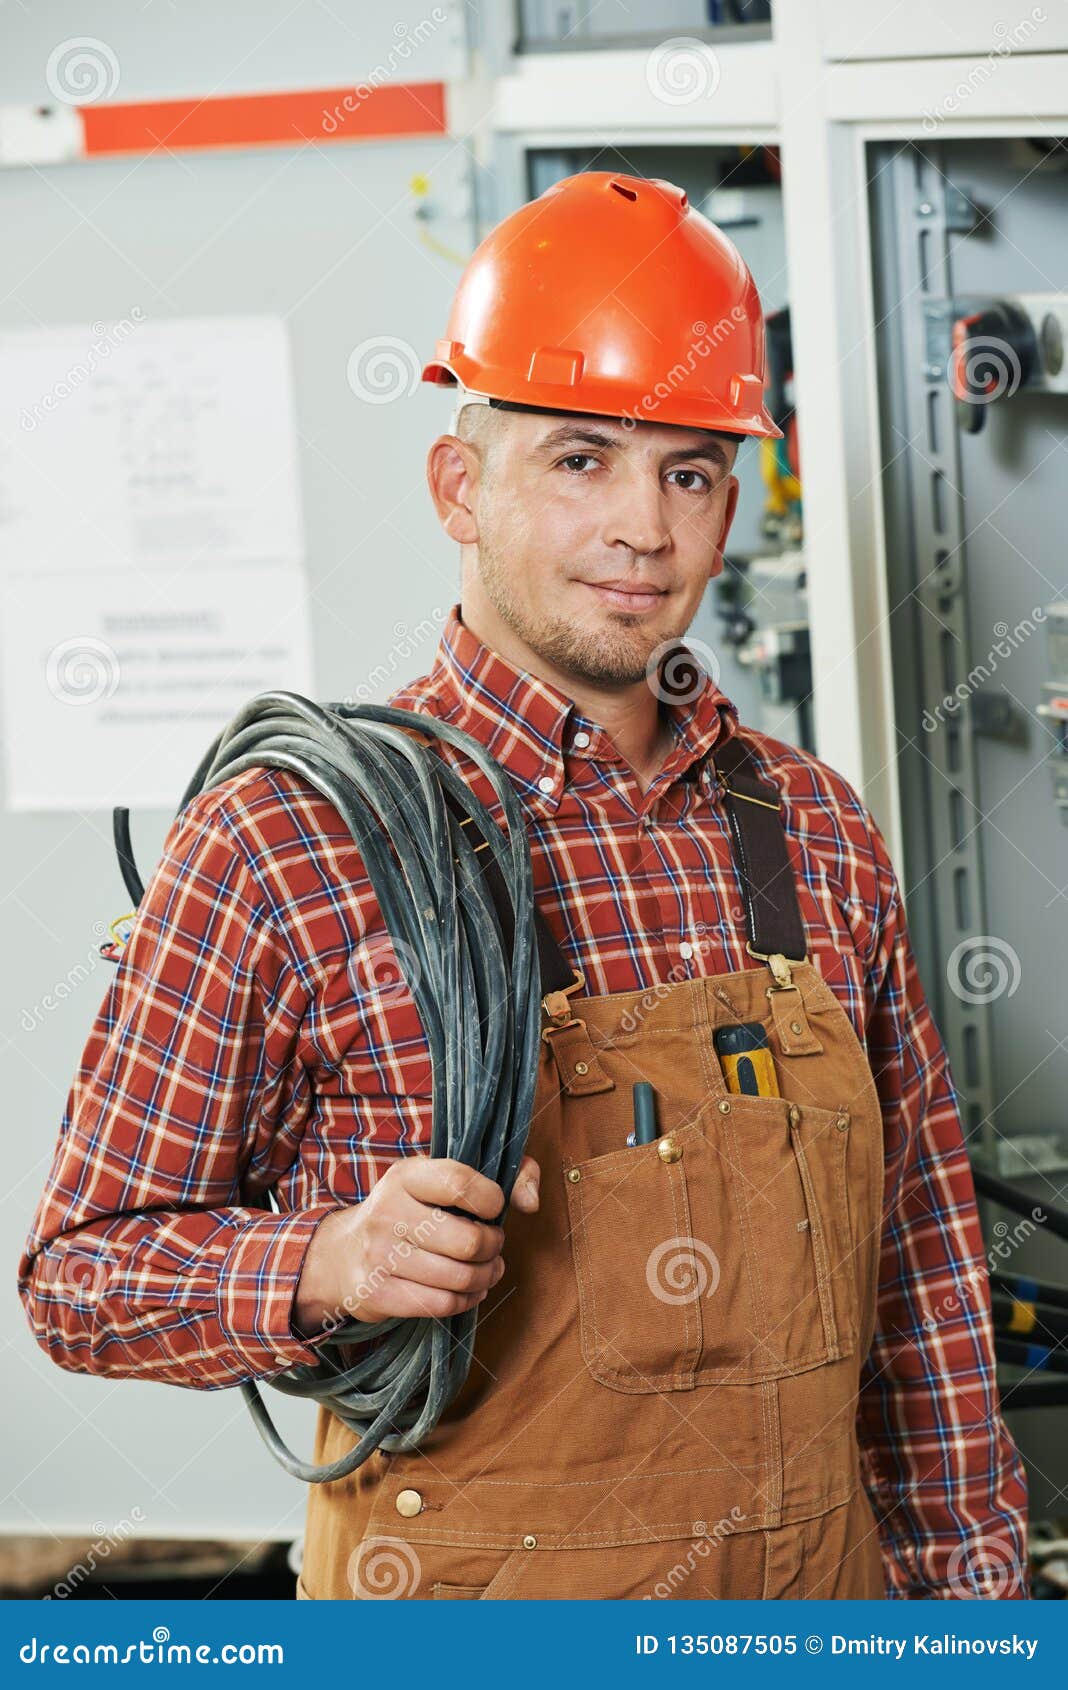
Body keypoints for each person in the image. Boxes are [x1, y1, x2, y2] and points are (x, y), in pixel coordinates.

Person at [19, 172, 1028, 1601]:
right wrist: (327, 1260)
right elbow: (83, 1280)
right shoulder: (290, 842)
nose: (642, 528)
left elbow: (924, 1284)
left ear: (731, 500)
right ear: (458, 488)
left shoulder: (813, 835)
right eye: (577, 460)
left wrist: (970, 1618)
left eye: (687, 470)